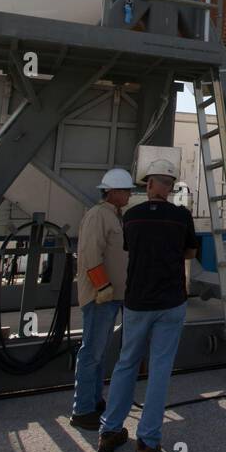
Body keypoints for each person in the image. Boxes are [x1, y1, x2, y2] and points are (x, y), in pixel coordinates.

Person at [98, 157, 196, 452]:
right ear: (170, 186)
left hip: (137, 301)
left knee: (126, 364)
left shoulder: (132, 216)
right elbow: (190, 252)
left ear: (149, 184)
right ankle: (147, 442)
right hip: (171, 302)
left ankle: (110, 431)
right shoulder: (182, 217)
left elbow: (130, 248)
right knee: (160, 368)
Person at [70, 167, 136, 430]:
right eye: (127, 190)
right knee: (92, 353)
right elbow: (89, 254)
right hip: (102, 297)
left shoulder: (115, 217)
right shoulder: (98, 216)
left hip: (113, 295)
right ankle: (83, 409)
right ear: (113, 192)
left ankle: (94, 400)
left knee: (98, 353)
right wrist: (102, 286)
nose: (130, 194)